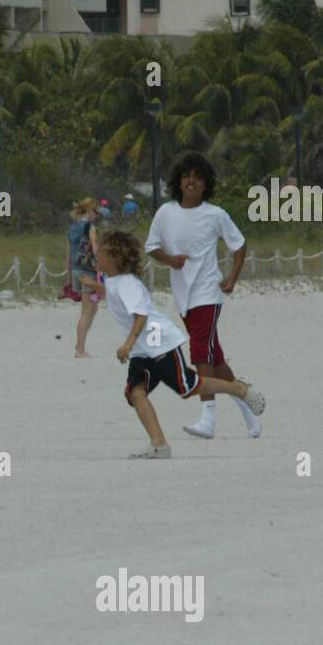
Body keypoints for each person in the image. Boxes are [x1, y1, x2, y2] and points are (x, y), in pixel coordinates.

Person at [96, 230, 265, 459]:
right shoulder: (114, 280)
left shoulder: (127, 283)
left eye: (102, 253)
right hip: (142, 348)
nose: (97, 254)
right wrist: (95, 287)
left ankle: (239, 389)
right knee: (135, 393)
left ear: (115, 258)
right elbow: (116, 298)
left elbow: (141, 316)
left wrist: (128, 344)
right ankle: (159, 445)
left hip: (158, 340)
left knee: (186, 387)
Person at [145, 152, 261, 439]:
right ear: (178, 181)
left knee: (199, 353)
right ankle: (249, 413)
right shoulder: (165, 212)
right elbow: (152, 246)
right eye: (186, 176)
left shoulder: (215, 214)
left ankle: (207, 418)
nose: (191, 181)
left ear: (206, 183)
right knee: (216, 358)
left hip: (208, 292)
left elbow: (239, 245)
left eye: (197, 177)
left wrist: (232, 278)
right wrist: (171, 261)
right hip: (183, 295)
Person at [65, 198, 101, 357]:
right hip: (88, 271)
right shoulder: (90, 227)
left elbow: (68, 254)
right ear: (88, 211)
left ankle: (79, 346)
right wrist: (101, 266)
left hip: (76, 271)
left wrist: (68, 276)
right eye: (95, 211)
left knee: (91, 309)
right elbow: (94, 247)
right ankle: (79, 348)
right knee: (87, 311)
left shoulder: (72, 228)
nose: (96, 214)